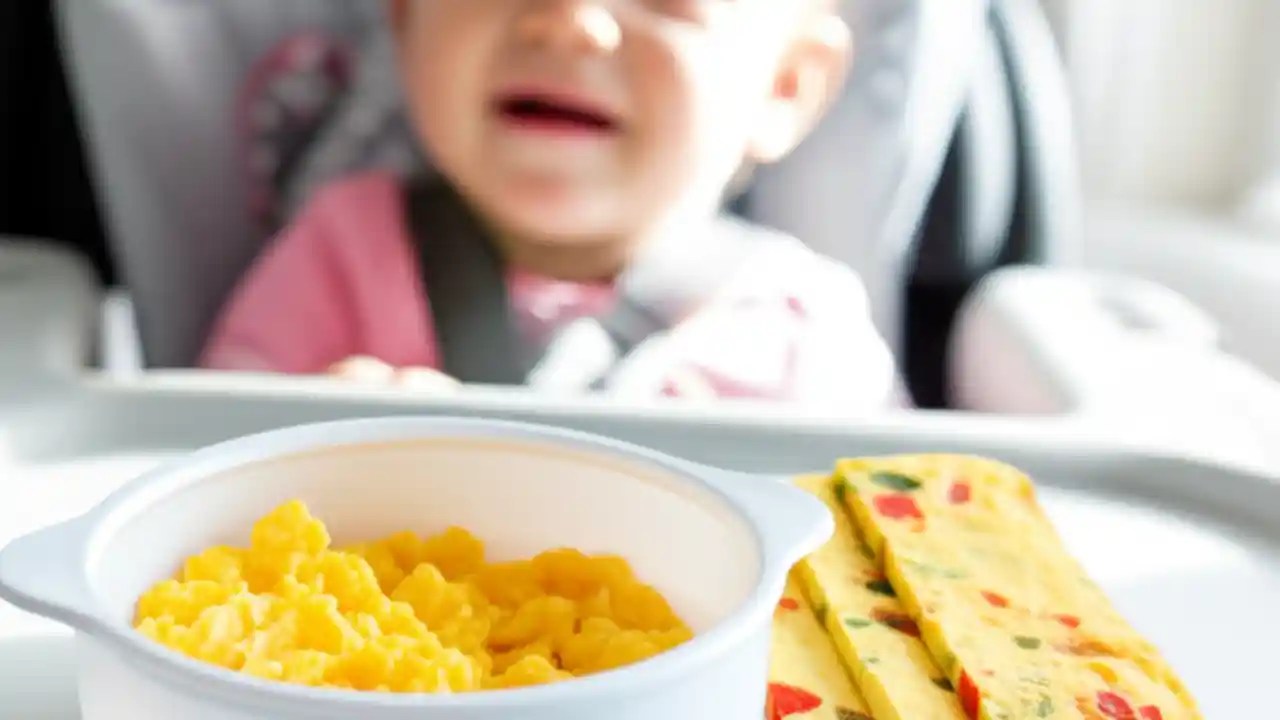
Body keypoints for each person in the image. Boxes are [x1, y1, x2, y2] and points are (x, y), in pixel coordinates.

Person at [202, 0, 899, 408]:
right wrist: (313, 439)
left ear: (784, 85)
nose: (569, 24)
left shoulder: (806, 327)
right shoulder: (344, 251)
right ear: (405, 21)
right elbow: (192, 469)